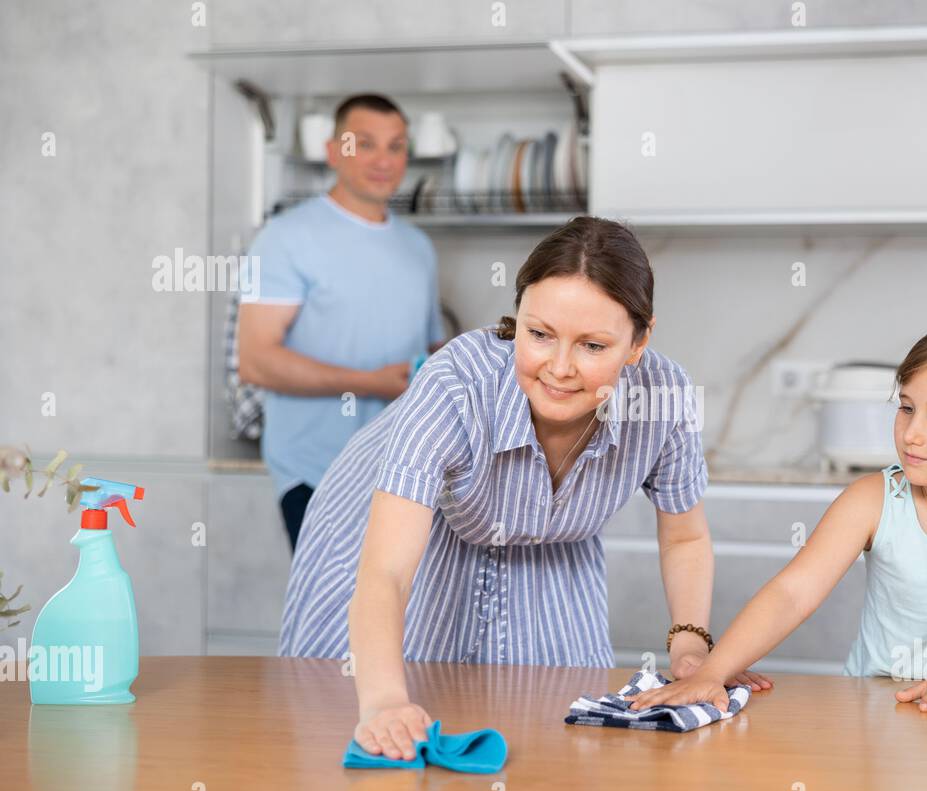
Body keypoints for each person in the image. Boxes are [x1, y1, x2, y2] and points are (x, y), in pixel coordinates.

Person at [279, 217, 771, 761]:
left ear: (639, 341)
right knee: (381, 712)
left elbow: (684, 539)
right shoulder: (455, 385)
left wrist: (690, 649)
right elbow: (387, 573)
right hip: (402, 529)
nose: (559, 369)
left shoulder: (663, 397)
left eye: (592, 345)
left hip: (554, 545)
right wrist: (384, 702)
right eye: (539, 335)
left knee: (556, 741)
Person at [631, 321, 927, 717]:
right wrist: (713, 671)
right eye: (906, 408)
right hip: (876, 711)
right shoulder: (874, 498)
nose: (911, 433)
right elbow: (793, 593)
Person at [238, 93, 442, 551]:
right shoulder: (285, 238)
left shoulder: (419, 248)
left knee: (405, 620)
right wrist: (370, 382)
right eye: (364, 144)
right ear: (333, 152)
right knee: (336, 620)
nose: (383, 160)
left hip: (402, 475)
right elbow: (256, 361)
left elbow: (430, 349)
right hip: (316, 475)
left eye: (396, 146)